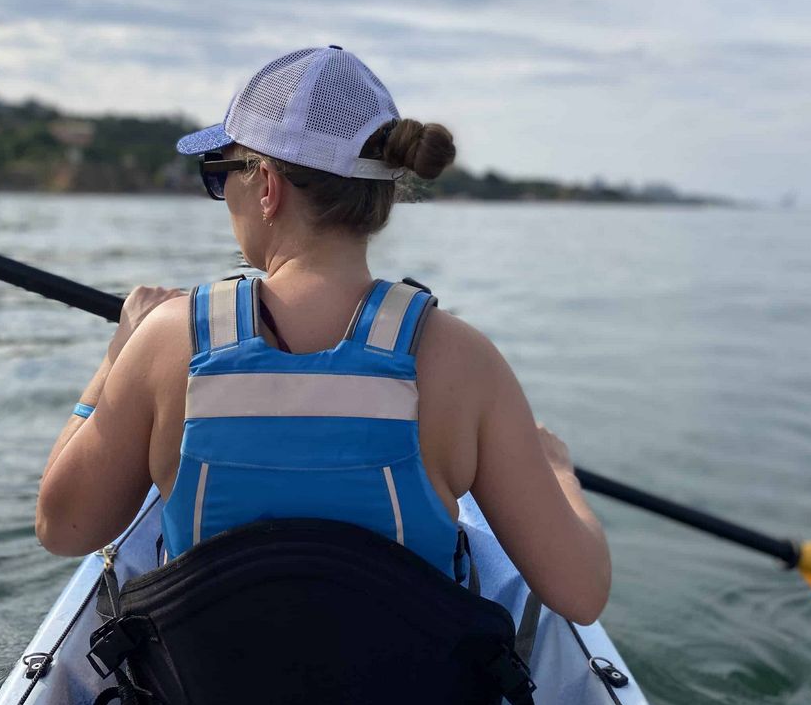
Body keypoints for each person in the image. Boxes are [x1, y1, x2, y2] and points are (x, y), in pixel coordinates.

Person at [35, 45, 610, 627]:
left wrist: (118, 357)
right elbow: (582, 594)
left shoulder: (165, 342)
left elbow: (63, 527)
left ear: (266, 187)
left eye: (220, 174)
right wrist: (557, 471)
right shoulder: (464, 359)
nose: (222, 196)